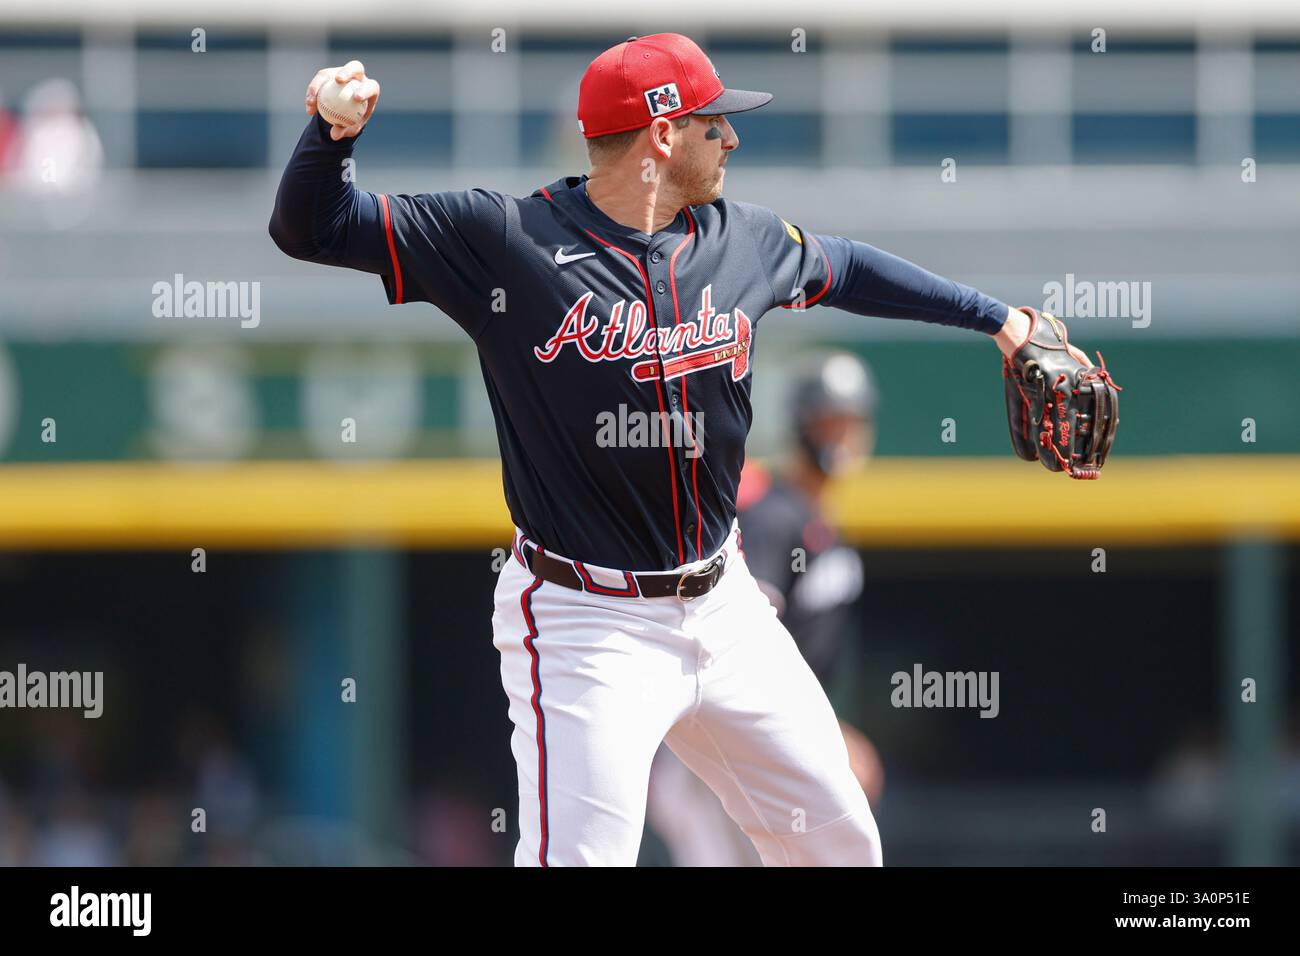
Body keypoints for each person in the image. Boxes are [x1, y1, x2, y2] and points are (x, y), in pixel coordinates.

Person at [268, 33, 1102, 866]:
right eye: (714, 124)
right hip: (586, 621)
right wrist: (330, 139)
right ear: (662, 134)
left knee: (842, 845)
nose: (731, 139)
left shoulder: (745, 240)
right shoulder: (506, 239)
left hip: (724, 601)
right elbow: (313, 228)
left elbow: (849, 269)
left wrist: (999, 319)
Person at [645, 352, 884, 866]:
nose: (840, 437)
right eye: (828, 422)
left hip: (748, 743)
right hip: (714, 746)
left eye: (850, 422)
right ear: (803, 425)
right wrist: (830, 738)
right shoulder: (774, 515)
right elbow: (738, 643)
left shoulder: (818, 521)